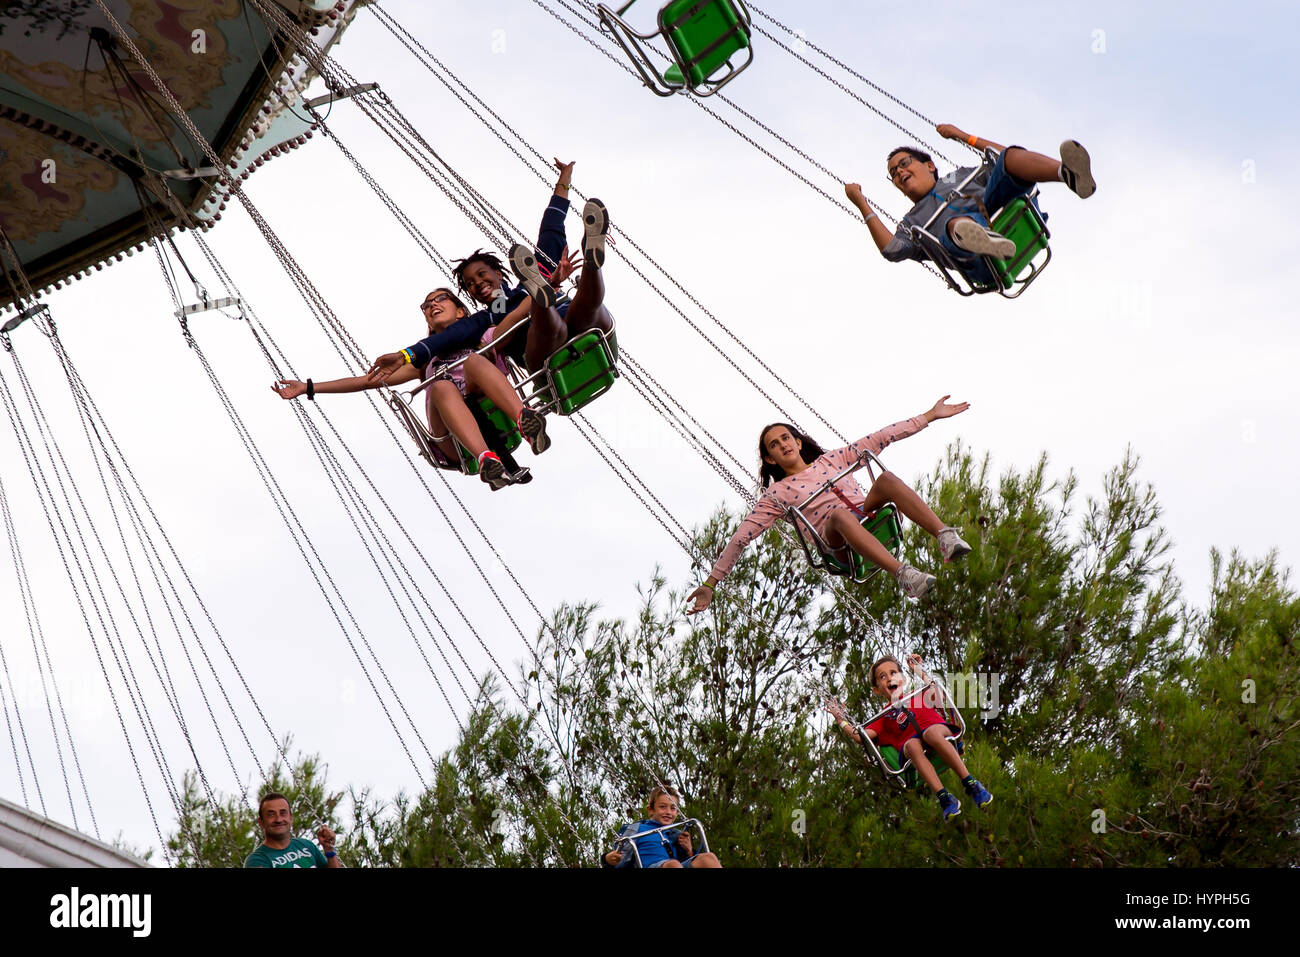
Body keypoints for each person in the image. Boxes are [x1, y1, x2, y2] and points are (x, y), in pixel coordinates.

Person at [686, 396, 972, 610]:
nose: (783, 444)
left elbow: (882, 437)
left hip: (867, 516)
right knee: (838, 515)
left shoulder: (832, 460)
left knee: (886, 480)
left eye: (786, 437)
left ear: (798, 442)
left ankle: (944, 535)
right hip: (837, 543)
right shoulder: (776, 495)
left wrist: (930, 415)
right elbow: (741, 538)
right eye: (774, 444)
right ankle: (904, 574)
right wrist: (711, 584)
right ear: (771, 459)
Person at [273, 287, 549, 488]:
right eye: (426, 305)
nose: (431, 305)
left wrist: (543, 285)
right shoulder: (423, 362)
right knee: (440, 387)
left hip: (492, 412)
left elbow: (517, 314)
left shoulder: (482, 336)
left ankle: (524, 420)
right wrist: (308, 388)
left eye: (440, 299)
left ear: (461, 310)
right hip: (452, 439)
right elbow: (366, 381)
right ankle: (485, 458)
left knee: (474, 360)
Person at [367, 159, 615, 381]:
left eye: (481, 275)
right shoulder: (489, 317)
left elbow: (551, 226)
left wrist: (564, 180)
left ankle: (591, 261)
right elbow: (446, 338)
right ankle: (544, 295)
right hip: (545, 355)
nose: (477, 284)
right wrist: (406, 355)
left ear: (499, 273)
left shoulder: (526, 280)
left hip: (586, 328)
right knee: (547, 320)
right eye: (470, 284)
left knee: (584, 309)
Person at [845, 124, 1095, 287]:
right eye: (894, 174)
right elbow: (891, 249)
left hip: (1001, 213)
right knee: (953, 227)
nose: (899, 172)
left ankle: (1068, 175)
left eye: (904, 163)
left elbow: (1000, 159)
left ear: (929, 165)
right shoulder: (913, 222)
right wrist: (862, 204)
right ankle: (986, 243)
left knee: (1007, 159)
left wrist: (964, 137)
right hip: (981, 264)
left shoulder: (958, 177)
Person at [827, 653, 992, 822]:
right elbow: (862, 737)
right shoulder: (883, 717)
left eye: (893, 673)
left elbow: (938, 696)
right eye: (882, 677)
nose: (889, 678)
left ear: (903, 679)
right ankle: (944, 797)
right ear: (877, 689)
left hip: (938, 732)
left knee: (930, 733)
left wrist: (919, 670)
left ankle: (971, 783)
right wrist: (841, 720)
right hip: (911, 746)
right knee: (912, 745)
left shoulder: (918, 695)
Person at [602, 785, 722, 869]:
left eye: (673, 808)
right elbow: (620, 856)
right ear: (650, 810)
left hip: (674, 864)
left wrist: (689, 851)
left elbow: (686, 861)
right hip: (650, 865)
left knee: (708, 858)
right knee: (673, 865)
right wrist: (607, 859)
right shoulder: (638, 829)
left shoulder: (675, 834)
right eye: (663, 807)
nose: (668, 812)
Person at [243, 792, 342, 868]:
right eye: (271, 814)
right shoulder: (257, 860)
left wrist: (329, 849)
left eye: (283, 813)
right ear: (261, 822)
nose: (278, 819)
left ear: (291, 818)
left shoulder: (306, 845)